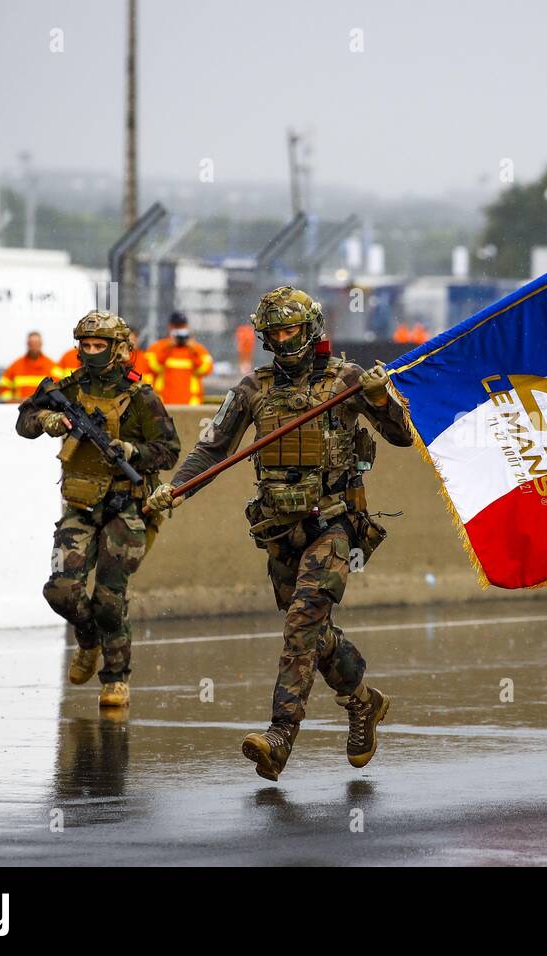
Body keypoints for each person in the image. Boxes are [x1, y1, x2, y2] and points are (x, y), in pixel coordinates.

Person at [145, 287, 412, 782]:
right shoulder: (253, 389)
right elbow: (212, 449)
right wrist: (175, 489)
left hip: (334, 524)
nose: (283, 340)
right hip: (279, 529)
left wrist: (381, 398)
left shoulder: (348, 380)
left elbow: (401, 435)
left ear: (310, 330)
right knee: (314, 634)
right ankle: (361, 702)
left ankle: (280, 734)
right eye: (274, 332)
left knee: (300, 625)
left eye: (291, 330)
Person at [16, 311, 180, 709]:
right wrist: (48, 419)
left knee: (110, 598)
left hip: (126, 507)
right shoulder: (68, 390)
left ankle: (116, 677)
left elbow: (169, 450)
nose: (91, 353)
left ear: (118, 348)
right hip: (80, 503)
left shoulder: (141, 397)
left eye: (98, 346)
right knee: (60, 590)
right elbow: (23, 421)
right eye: (85, 345)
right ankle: (87, 639)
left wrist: (131, 451)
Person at [145, 311, 213, 405]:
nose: (179, 329)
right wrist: (168, 348)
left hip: (191, 404)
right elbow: (150, 368)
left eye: (182, 326)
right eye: (176, 326)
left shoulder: (197, 349)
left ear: (187, 327)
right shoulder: (158, 347)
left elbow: (206, 370)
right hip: (164, 403)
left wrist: (192, 350)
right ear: (170, 327)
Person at [0, 331, 62, 402]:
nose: (34, 346)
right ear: (27, 344)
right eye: (32, 344)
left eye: (36, 344)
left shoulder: (52, 367)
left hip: (44, 410)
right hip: (20, 410)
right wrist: (12, 402)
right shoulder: (15, 366)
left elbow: (60, 390)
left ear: (41, 344)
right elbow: (3, 386)